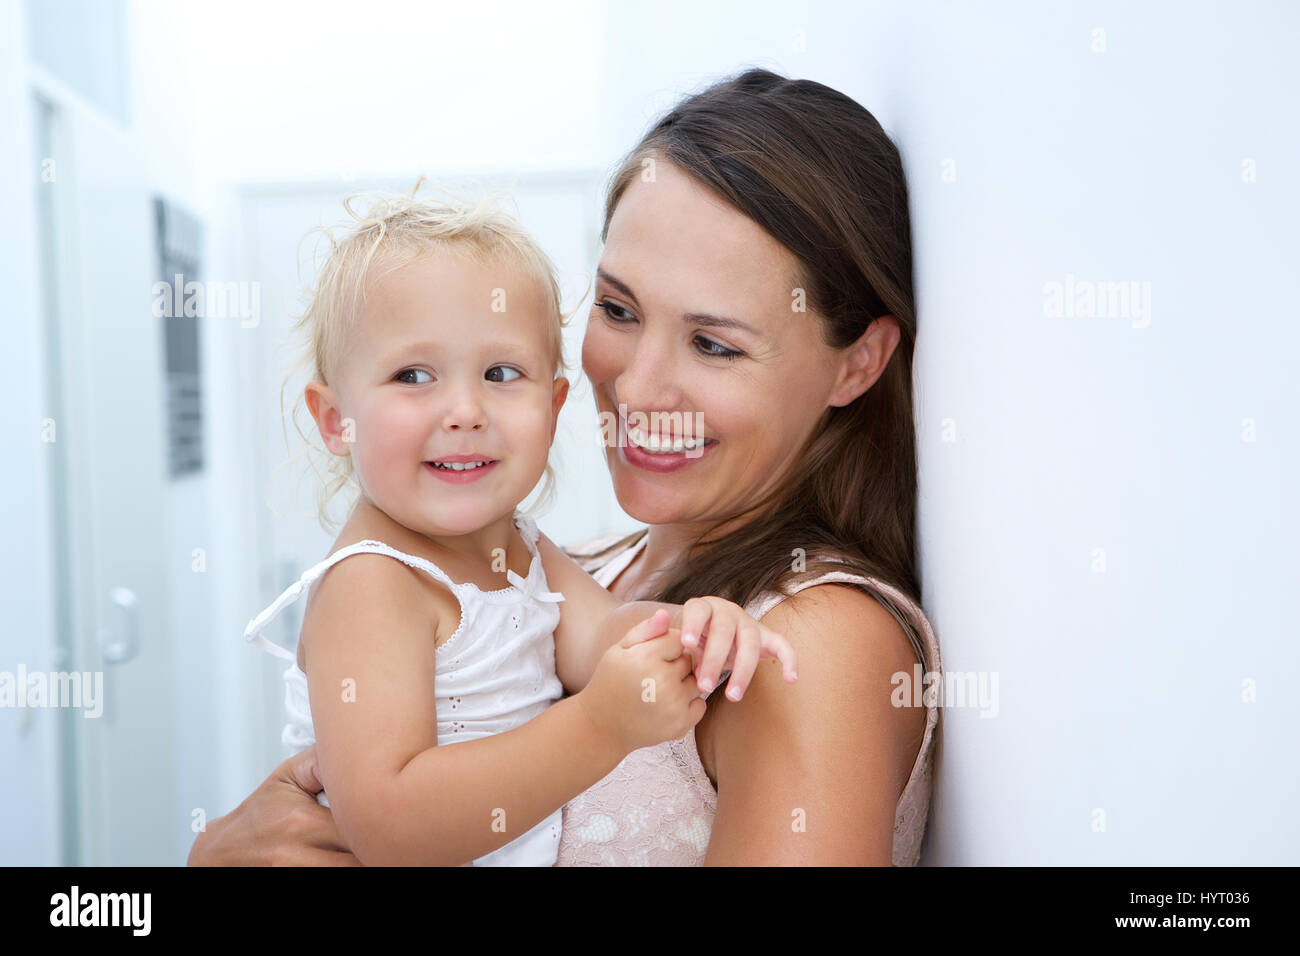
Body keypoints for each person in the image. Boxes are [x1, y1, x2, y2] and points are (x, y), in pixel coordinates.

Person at [189, 66, 942, 867]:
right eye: (618, 310)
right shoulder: (565, 571)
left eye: (715, 344)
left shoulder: (805, 646)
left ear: (857, 364)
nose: (639, 385)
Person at [239, 186, 796, 866]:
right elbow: (388, 827)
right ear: (335, 420)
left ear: (553, 405)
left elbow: (603, 637)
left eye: (502, 372)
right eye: (413, 375)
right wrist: (597, 727)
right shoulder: (373, 583)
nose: (466, 410)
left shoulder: (520, 548)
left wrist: (694, 630)